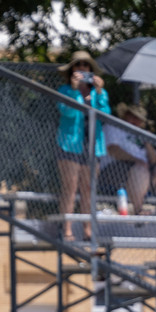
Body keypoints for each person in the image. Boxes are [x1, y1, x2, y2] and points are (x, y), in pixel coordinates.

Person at [55, 50, 110, 241]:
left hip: (93, 146)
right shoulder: (65, 90)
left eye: (85, 65)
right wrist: (74, 90)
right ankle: (67, 230)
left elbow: (105, 116)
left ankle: (88, 230)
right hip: (69, 144)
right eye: (78, 65)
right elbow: (67, 112)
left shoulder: (98, 93)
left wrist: (100, 93)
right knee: (70, 188)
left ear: (90, 69)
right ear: (72, 69)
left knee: (88, 189)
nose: (82, 68)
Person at [100, 103, 156, 217]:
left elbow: (153, 160)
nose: (136, 121)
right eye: (133, 116)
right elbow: (113, 150)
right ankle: (138, 209)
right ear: (125, 115)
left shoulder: (140, 134)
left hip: (143, 171)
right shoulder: (113, 126)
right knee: (141, 169)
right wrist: (137, 161)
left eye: (139, 119)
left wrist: (147, 142)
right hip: (115, 170)